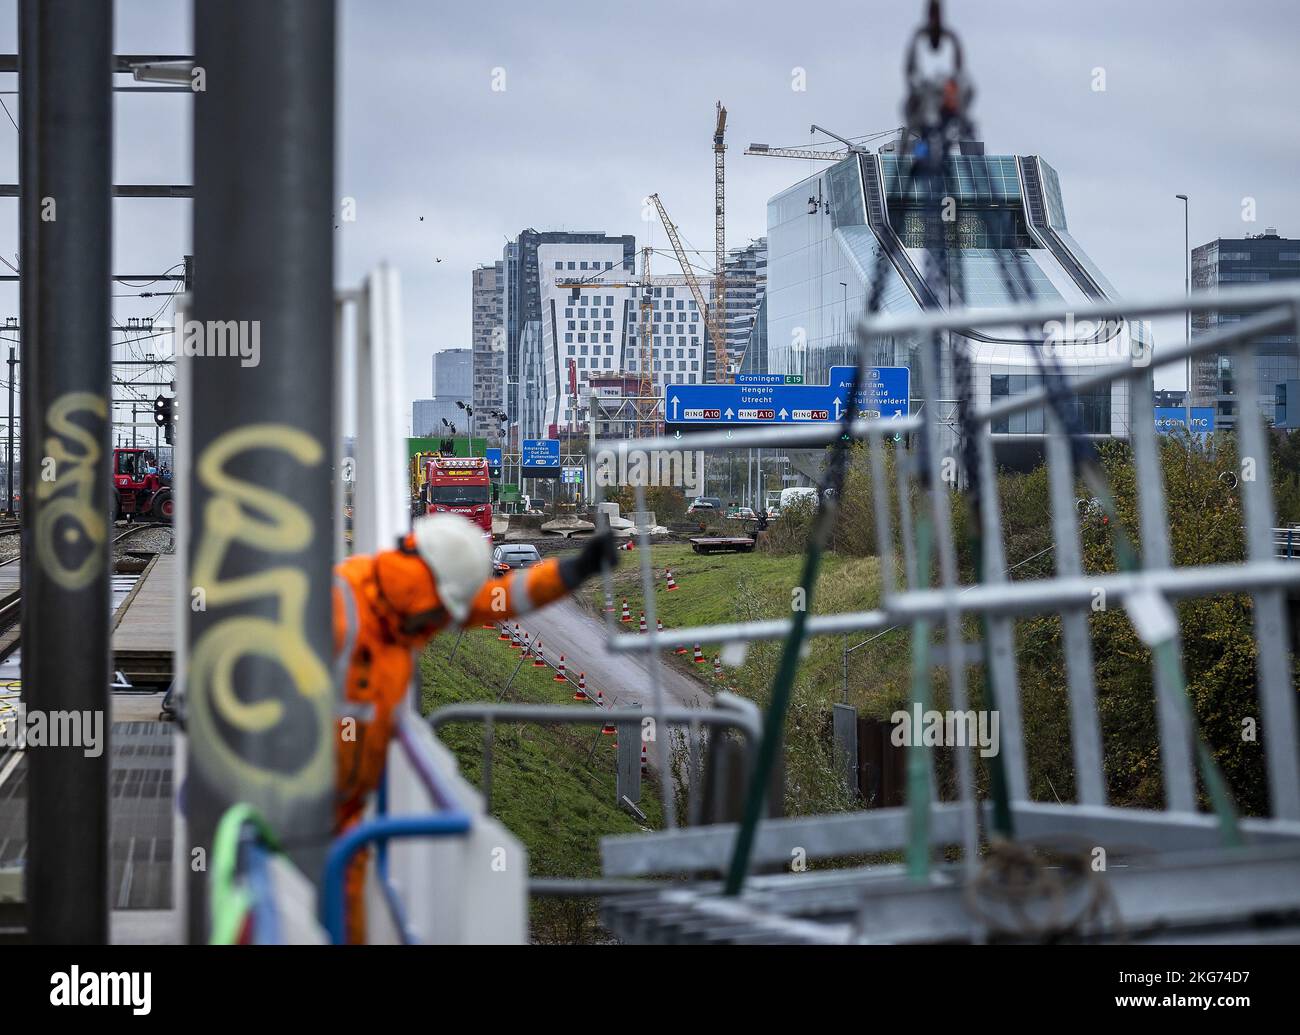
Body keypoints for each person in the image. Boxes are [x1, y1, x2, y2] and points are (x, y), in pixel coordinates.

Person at [332, 513, 617, 943]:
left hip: (343, 821)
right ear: (428, 585)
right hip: (293, 810)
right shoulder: (339, 611)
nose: (443, 625)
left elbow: (499, 598)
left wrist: (572, 571)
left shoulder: (407, 608)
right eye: (443, 611)